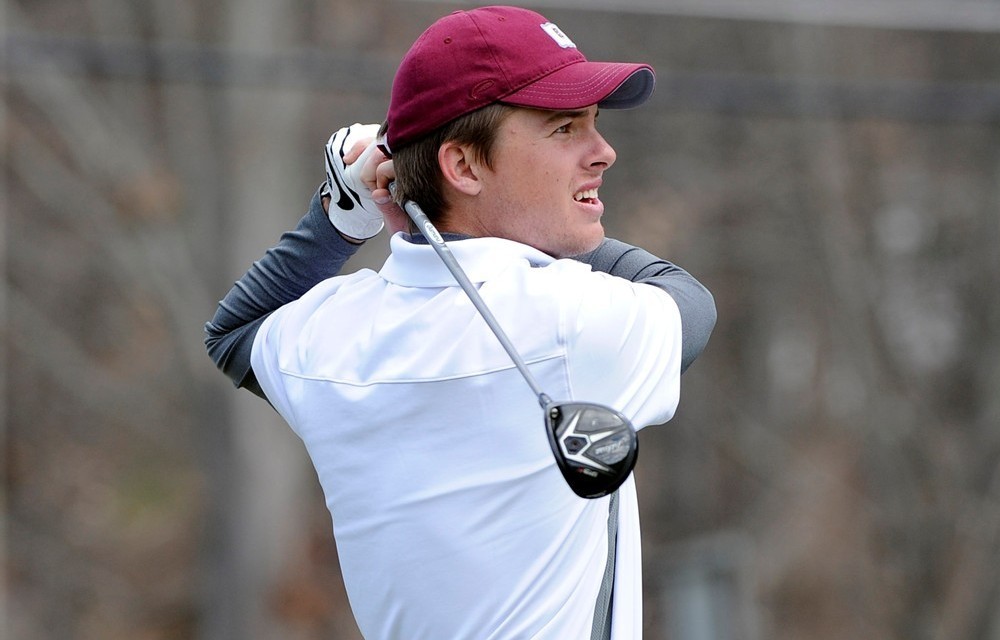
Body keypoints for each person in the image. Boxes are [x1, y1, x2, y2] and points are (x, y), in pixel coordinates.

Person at [205, 5, 716, 639]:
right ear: (464, 167)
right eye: (563, 129)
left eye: (593, 125)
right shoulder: (573, 321)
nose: (602, 152)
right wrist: (566, 235)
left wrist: (343, 214)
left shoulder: (333, 333)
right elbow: (687, 300)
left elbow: (233, 332)